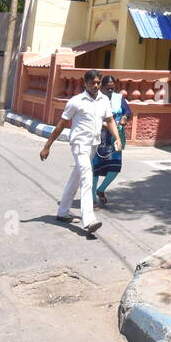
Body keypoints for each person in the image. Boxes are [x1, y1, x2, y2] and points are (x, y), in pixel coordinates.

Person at [41, 69, 121, 234]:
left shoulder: (104, 100)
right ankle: (89, 219)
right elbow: (61, 125)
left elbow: (110, 120)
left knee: (76, 178)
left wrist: (117, 138)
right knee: (87, 177)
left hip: (93, 145)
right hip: (79, 144)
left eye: (98, 82)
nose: (96, 86)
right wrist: (47, 146)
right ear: (85, 83)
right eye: (93, 83)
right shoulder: (76, 101)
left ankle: (63, 212)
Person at [91, 74, 132, 206]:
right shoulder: (95, 99)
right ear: (101, 87)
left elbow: (127, 111)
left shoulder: (118, 98)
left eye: (112, 88)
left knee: (115, 167)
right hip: (98, 138)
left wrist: (125, 117)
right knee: (95, 170)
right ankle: (92, 200)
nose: (110, 91)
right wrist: (107, 124)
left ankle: (101, 189)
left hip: (114, 138)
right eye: (107, 88)